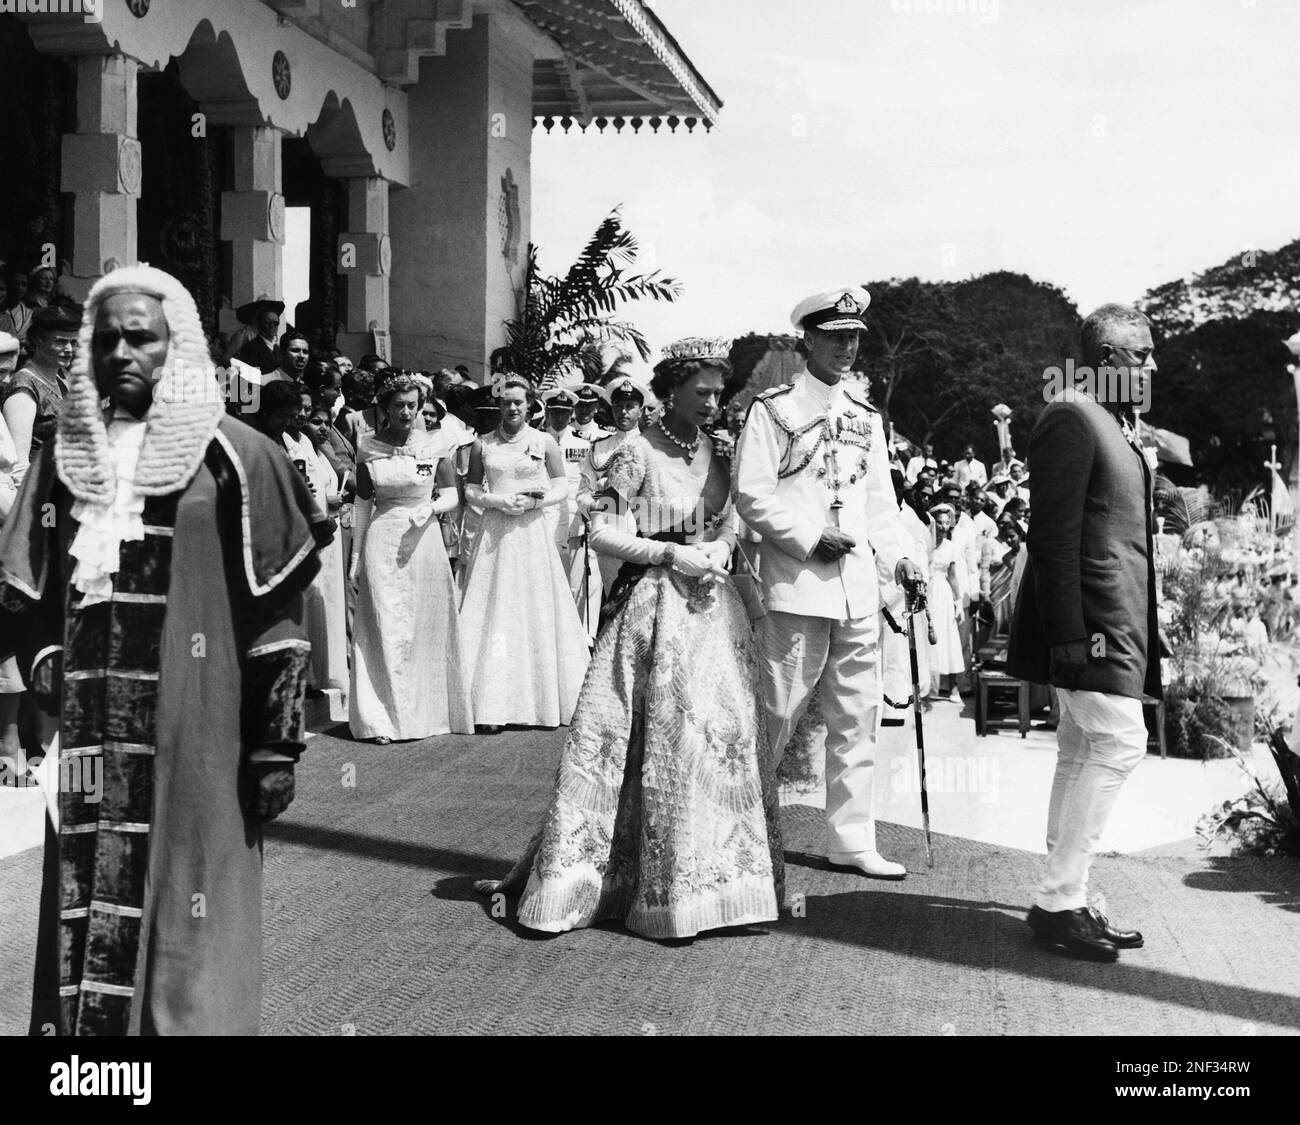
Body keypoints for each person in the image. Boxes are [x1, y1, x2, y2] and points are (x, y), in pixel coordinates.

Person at [0, 264, 321, 1035]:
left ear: (176, 345)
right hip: (93, 738)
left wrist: (274, 746)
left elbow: (280, 612)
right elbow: (24, 592)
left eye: (139, 336)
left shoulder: (241, 458)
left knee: (195, 914)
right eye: (104, 336)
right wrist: (51, 672)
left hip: (205, 735)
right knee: (91, 922)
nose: (119, 352)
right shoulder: (63, 458)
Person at [474, 339, 783, 939]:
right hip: (653, 606)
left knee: (718, 738)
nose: (714, 404)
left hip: (714, 612)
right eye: (702, 393)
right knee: (655, 739)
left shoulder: (719, 450)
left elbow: (733, 516)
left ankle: (719, 885)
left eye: (719, 394)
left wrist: (719, 545)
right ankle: (639, 885)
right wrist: (671, 551)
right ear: (669, 392)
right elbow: (603, 535)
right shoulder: (634, 453)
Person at [734, 287, 925, 880]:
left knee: (857, 719)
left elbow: (882, 509)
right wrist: (812, 536)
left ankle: (851, 839)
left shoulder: (865, 418)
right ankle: (739, 832)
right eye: (835, 335)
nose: (847, 346)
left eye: (854, 336)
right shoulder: (773, 410)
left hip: (859, 592)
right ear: (806, 341)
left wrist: (903, 562)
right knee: (777, 713)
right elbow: (751, 493)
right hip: (797, 585)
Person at [1008, 302, 1160, 963]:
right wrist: (1069, 632)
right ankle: (1058, 897)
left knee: (1079, 748)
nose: (1153, 365)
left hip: (1112, 619)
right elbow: (1053, 533)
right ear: (1105, 361)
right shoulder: (1072, 416)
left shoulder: (1109, 421)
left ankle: (1063, 895)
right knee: (1121, 740)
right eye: (1140, 354)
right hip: (1091, 623)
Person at [458, 377, 590, 731]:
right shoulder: (481, 444)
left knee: (531, 608)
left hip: (531, 531)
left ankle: (541, 699)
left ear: (530, 405)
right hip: (496, 532)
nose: (512, 408)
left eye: (519, 402)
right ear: (498, 406)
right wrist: (495, 500)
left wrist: (537, 499)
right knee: (497, 608)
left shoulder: (543, 441)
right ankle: (491, 702)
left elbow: (562, 485)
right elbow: (470, 488)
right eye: (506, 403)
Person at [349, 373, 472, 743]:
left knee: (422, 622)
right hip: (383, 537)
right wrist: (355, 556)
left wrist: (432, 508)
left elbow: (453, 494)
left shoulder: (436, 445)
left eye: (413, 406)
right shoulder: (368, 446)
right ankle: (380, 719)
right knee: (384, 623)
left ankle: (426, 712)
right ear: (385, 408)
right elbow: (362, 503)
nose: (407, 412)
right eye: (399, 405)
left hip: (424, 540)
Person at [570, 374, 647, 640]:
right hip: (605, 533)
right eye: (618, 406)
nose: (623, 412)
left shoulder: (650, 446)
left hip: (641, 534)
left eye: (630, 406)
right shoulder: (599, 448)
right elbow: (582, 493)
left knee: (637, 602)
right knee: (603, 599)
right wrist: (600, 505)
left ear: (640, 409)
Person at [294, 395, 349, 716]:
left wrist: (335, 499)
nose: (323, 428)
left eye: (327, 422)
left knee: (328, 603)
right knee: (311, 601)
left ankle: (327, 669)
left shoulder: (317, 452)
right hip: (310, 536)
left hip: (330, 537)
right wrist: (328, 501)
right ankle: (309, 674)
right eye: (317, 421)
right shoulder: (294, 447)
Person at [2, 303, 79, 487]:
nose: (69, 348)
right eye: (60, 341)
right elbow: (18, 466)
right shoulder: (24, 386)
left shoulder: (61, 380)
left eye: (73, 342)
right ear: (38, 340)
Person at [540, 386, 589, 568]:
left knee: (575, 584)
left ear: (571, 415)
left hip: (574, 520)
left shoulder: (584, 445)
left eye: (563, 413)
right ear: (547, 413)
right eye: (555, 412)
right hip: (543, 518)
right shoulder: (537, 441)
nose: (559, 417)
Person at [926, 504, 966, 702]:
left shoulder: (950, 547)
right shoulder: (925, 544)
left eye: (946, 523)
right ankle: (928, 686)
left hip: (943, 593)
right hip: (928, 592)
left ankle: (953, 688)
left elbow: (952, 575)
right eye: (939, 523)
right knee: (929, 637)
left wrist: (958, 601)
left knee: (949, 638)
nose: (942, 527)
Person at [230, 296, 286, 374]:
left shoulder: (274, 344)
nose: (272, 325)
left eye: (275, 323)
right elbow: (227, 360)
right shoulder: (243, 334)